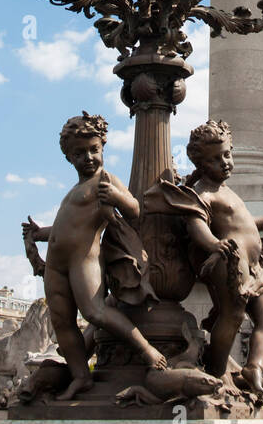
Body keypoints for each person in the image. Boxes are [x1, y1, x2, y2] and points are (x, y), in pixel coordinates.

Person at [28, 112, 166, 400]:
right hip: (56, 264)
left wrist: (116, 198)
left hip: (84, 259)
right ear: (69, 157)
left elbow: (134, 209)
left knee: (94, 312)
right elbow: (65, 227)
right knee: (62, 322)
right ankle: (81, 376)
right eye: (79, 153)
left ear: (103, 147)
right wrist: (40, 233)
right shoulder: (75, 190)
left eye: (94, 150)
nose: (88, 157)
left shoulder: (105, 179)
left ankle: (146, 349)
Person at [145, 118, 263, 392]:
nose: (225, 162)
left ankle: (254, 368)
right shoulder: (202, 194)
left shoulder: (228, 191)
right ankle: (216, 371)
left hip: (256, 268)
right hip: (232, 262)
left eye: (227, 154)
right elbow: (196, 226)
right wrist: (212, 244)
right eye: (215, 160)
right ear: (200, 165)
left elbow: (243, 223)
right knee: (232, 315)